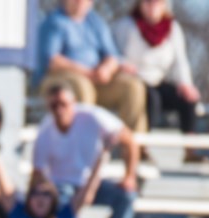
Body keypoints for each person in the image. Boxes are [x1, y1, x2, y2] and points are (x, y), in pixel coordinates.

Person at [33, 82, 140, 218]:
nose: (59, 110)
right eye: (54, 105)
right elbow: (37, 173)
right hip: (62, 187)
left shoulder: (93, 117)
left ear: (74, 103)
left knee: (126, 197)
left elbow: (129, 140)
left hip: (94, 183)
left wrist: (129, 176)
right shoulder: (45, 130)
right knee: (69, 207)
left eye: (63, 104)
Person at [37, 0, 149, 133]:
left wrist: (106, 69)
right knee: (82, 87)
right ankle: (87, 143)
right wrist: (88, 73)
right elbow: (53, 61)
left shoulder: (95, 22)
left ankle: (132, 145)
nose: (80, 2)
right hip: (62, 79)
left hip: (96, 80)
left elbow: (112, 56)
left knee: (132, 87)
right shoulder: (54, 22)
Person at [112, 0, 199, 138]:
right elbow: (113, 53)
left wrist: (186, 84)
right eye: (148, 2)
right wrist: (122, 64)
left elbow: (180, 61)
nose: (152, 6)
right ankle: (143, 146)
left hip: (158, 80)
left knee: (188, 100)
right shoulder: (126, 25)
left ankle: (190, 148)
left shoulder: (173, 28)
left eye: (157, 2)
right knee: (152, 99)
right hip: (135, 80)